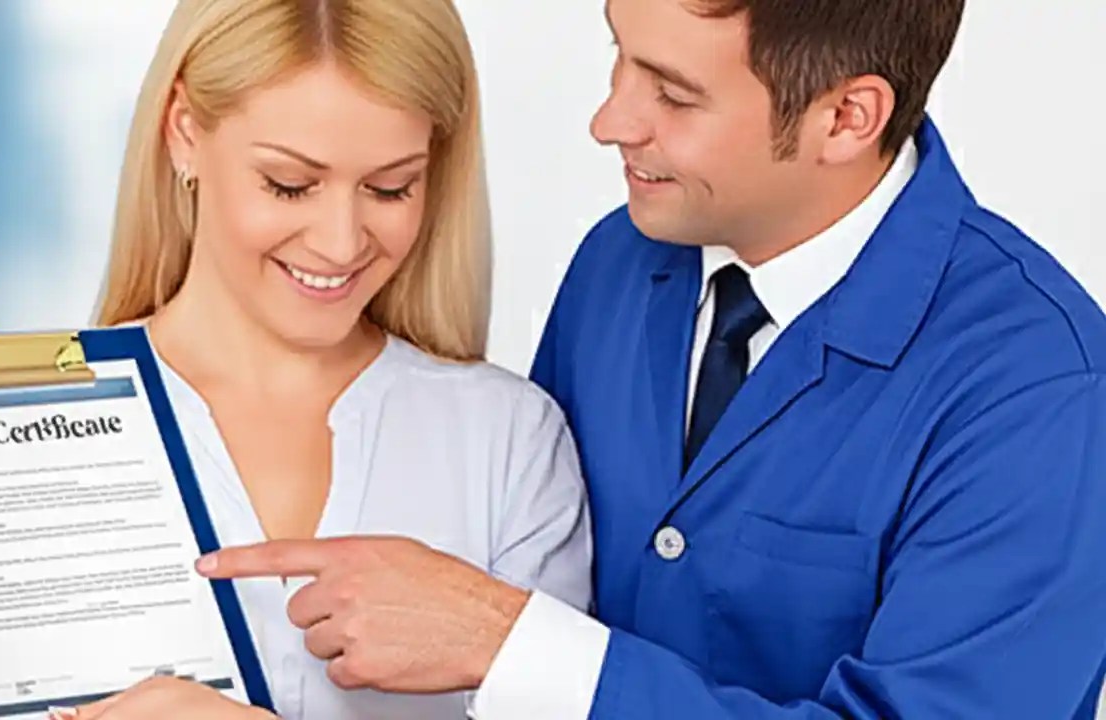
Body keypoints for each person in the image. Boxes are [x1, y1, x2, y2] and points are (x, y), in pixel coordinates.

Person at [148, 0, 1106, 718]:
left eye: (673, 94)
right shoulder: (624, 264)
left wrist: (507, 642)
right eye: (620, 55)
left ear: (847, 117)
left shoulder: (1039, 391)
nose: (610, 120)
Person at [0, 1, 593, 719]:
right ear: (183, 133)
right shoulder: (11, 427)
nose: (341, 242)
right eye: (289, 184)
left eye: (389, 188)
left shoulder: (507, 441)